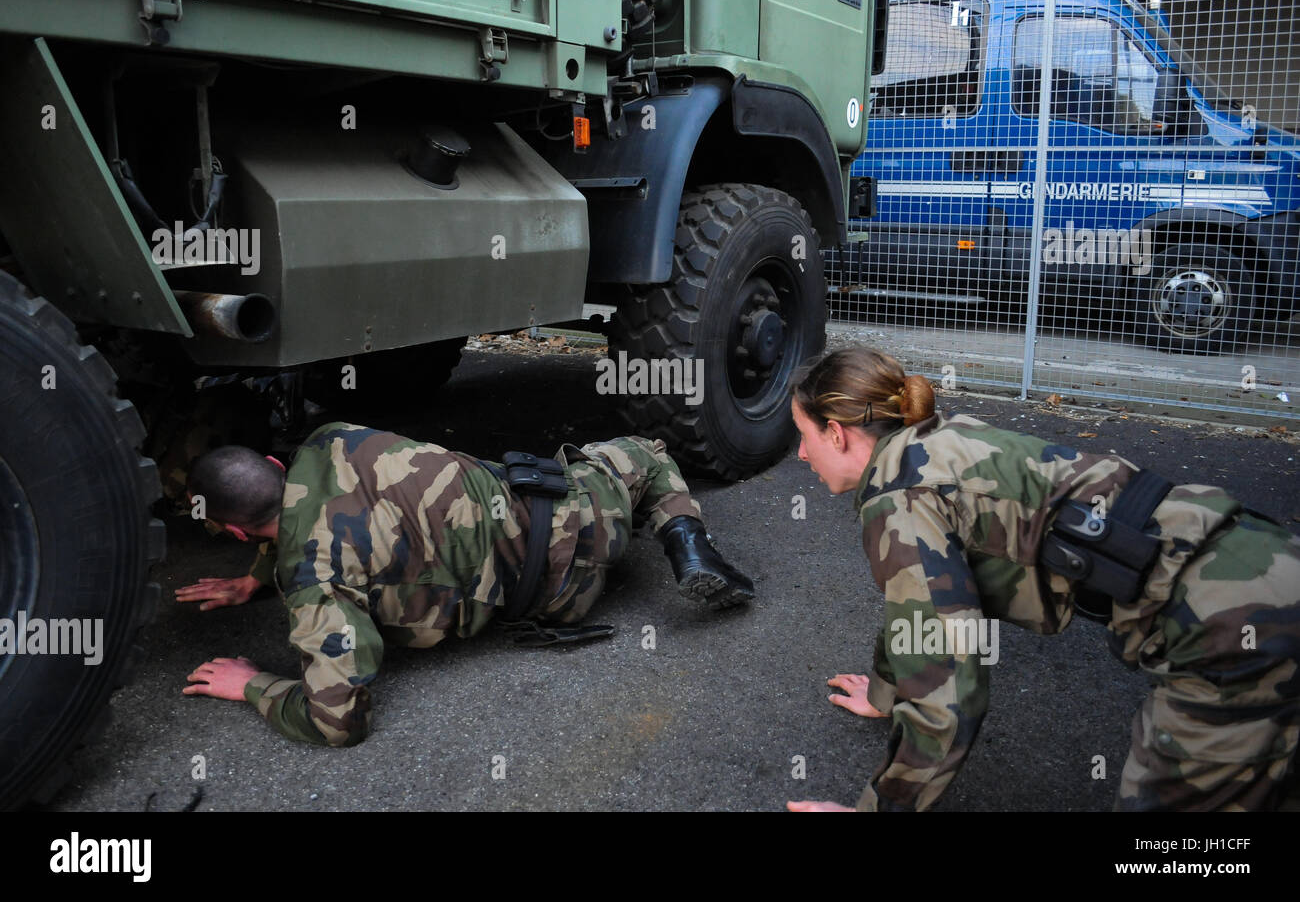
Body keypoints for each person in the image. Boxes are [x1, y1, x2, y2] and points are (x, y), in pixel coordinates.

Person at [784, 347, 1300, 812]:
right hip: (1264, 560)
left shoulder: (900, 503)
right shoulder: (939, 440)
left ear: (836, 431)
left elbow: (948, 692)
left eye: (804, 437)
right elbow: (917, 615)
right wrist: (883, 694)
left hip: (1232, 631)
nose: (802, 455)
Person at [178, 421, 753, 746]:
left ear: (234, 531)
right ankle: (688, 543)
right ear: (276, 467)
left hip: (562, 594)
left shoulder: (314, 584)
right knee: (643, 452)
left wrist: (251, 684)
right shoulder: (332, 439)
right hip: (566, 506)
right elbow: (307, 513)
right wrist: (258, 576)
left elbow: (337, 721)